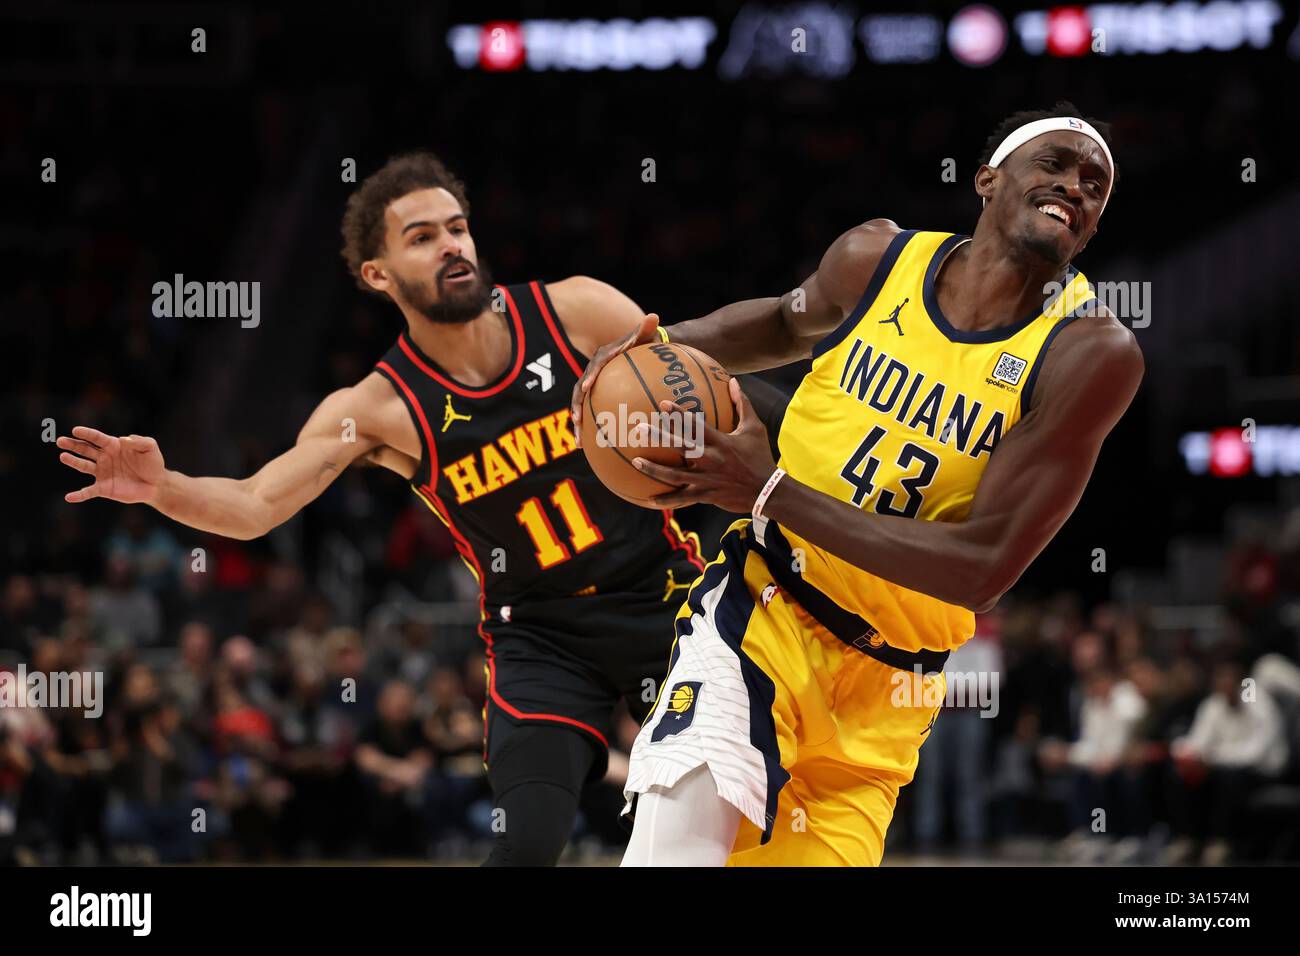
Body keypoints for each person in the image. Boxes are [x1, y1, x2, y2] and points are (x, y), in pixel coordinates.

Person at [55, 151, 729, 865]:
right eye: (422, 237)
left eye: (458, 228)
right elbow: (256, 504)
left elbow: (702, 399)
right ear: (377, 273)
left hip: (665, 594)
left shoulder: (579, 312)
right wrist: (163, 488)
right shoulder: (379, 409)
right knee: (524, 846)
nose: (452, 246)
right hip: (541, 634)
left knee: (731, 810)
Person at [573, 102, 1144, 866]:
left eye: (1095, 184)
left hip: (887, 696)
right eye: (1056, 165)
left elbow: (983, 568)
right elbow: (781, 322)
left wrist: (770, 490)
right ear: (988, 179)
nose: (1077, 187)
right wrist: (651, 351)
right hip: (761, 615)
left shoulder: (1090, 353)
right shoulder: (876, 258)